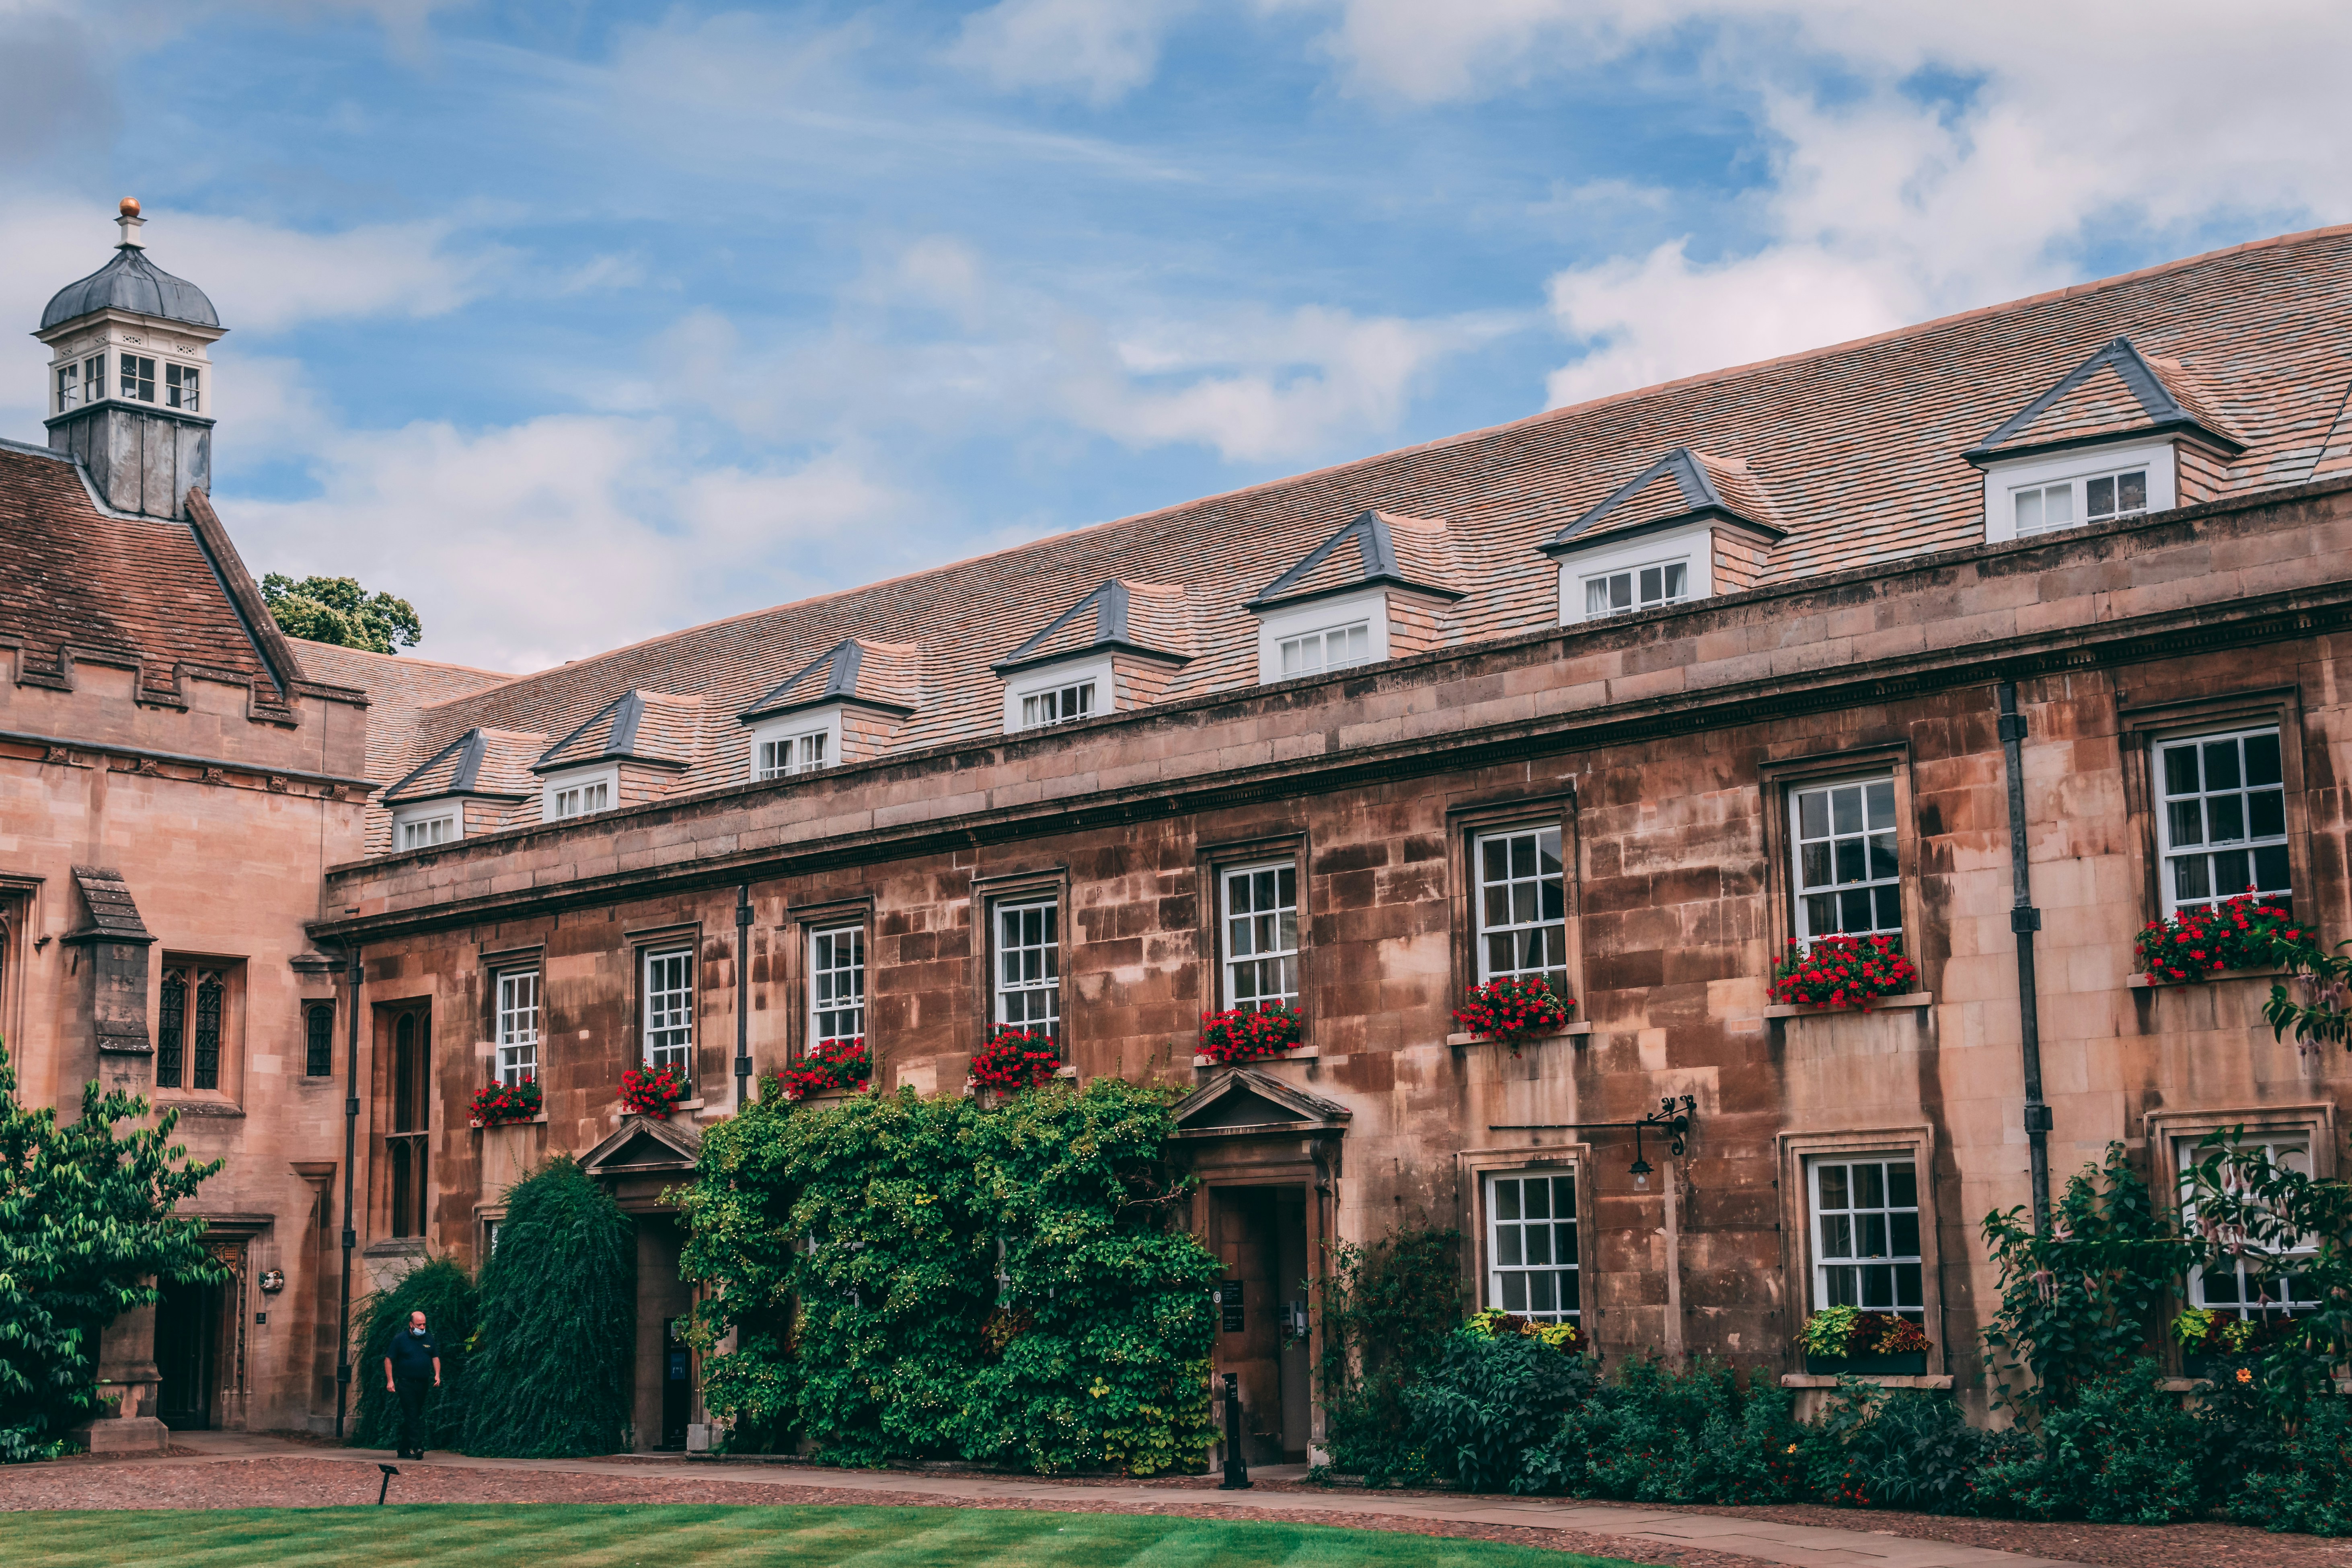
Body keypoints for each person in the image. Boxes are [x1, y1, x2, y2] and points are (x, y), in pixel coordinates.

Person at [383, 1309, 441, 1459]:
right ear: (411, 1324)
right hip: (406, 1383)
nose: (422, 1327)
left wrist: (437, 1374)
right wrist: (390, 1380)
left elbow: (435, 1357)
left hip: (423, 1383)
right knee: (412, 1413)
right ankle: (418, 1447)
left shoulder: (429, 1339)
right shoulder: (400, 1339)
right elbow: (389, 1359)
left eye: (424, 1324)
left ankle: (403, 1450)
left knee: (414, 1415)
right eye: (419, 1325)